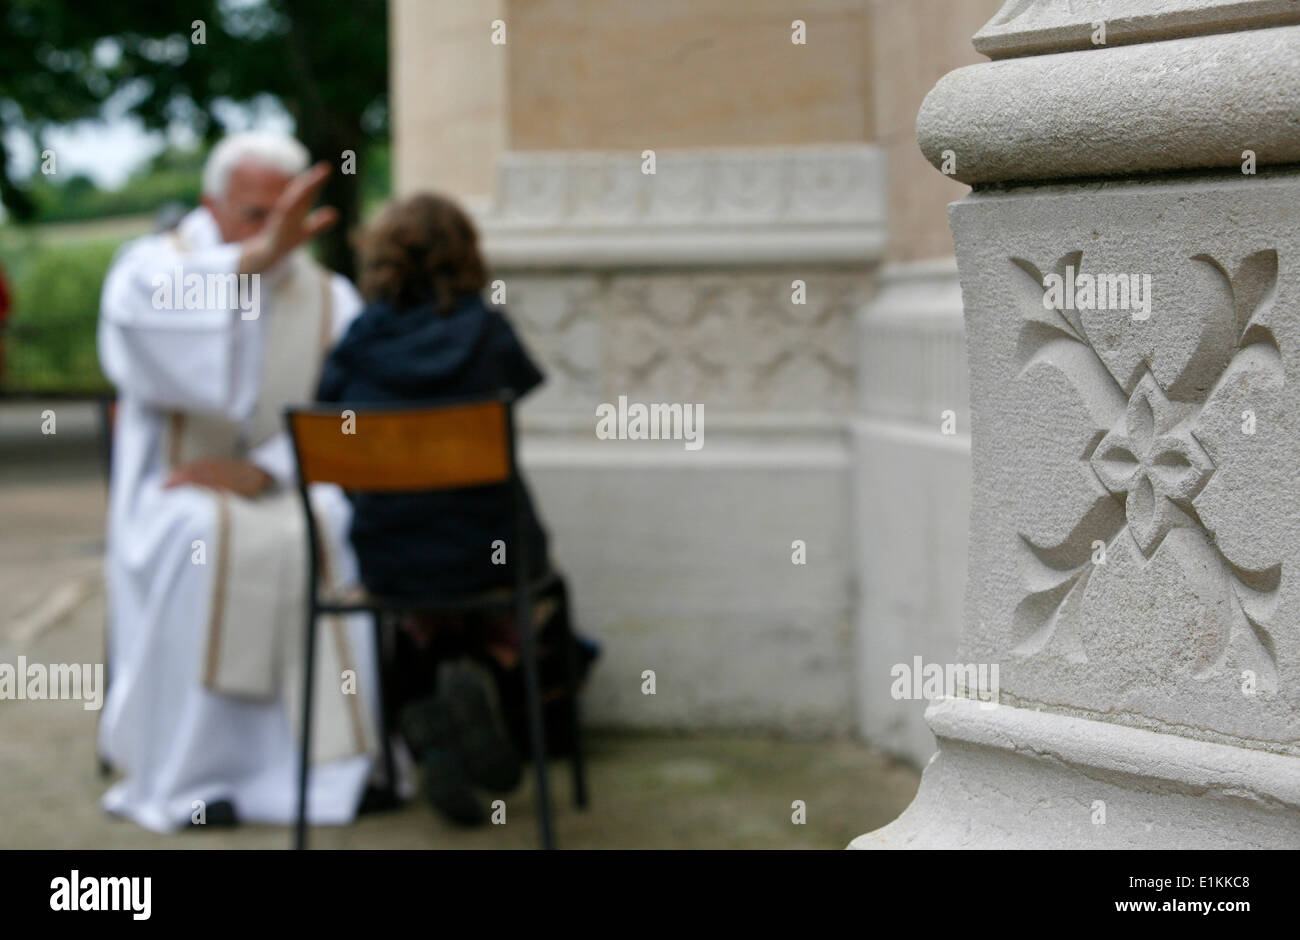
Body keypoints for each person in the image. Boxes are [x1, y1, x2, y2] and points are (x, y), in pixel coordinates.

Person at [96, 131, 390, 832]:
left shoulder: (328, 296)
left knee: (338, 526)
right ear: (211, 204)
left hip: (286, 480)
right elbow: (137, 329)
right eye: (256, 214)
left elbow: (344, 410)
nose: (273, 233)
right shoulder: (152, 268)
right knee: (201, 537)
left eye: (283, 216)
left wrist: (269, 467)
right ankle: (198, 776)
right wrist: (251, 261)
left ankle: (332, 771)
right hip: (175, 488)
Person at [316, 193, 594, 826]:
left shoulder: (359, 338)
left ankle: (436, 690)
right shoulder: (486, 332)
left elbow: (327, 420)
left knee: (424, 565)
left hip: (390, 559)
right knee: (507, 569)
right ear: (468, 255)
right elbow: (517, 390)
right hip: (488, 550)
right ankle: (490, 667)